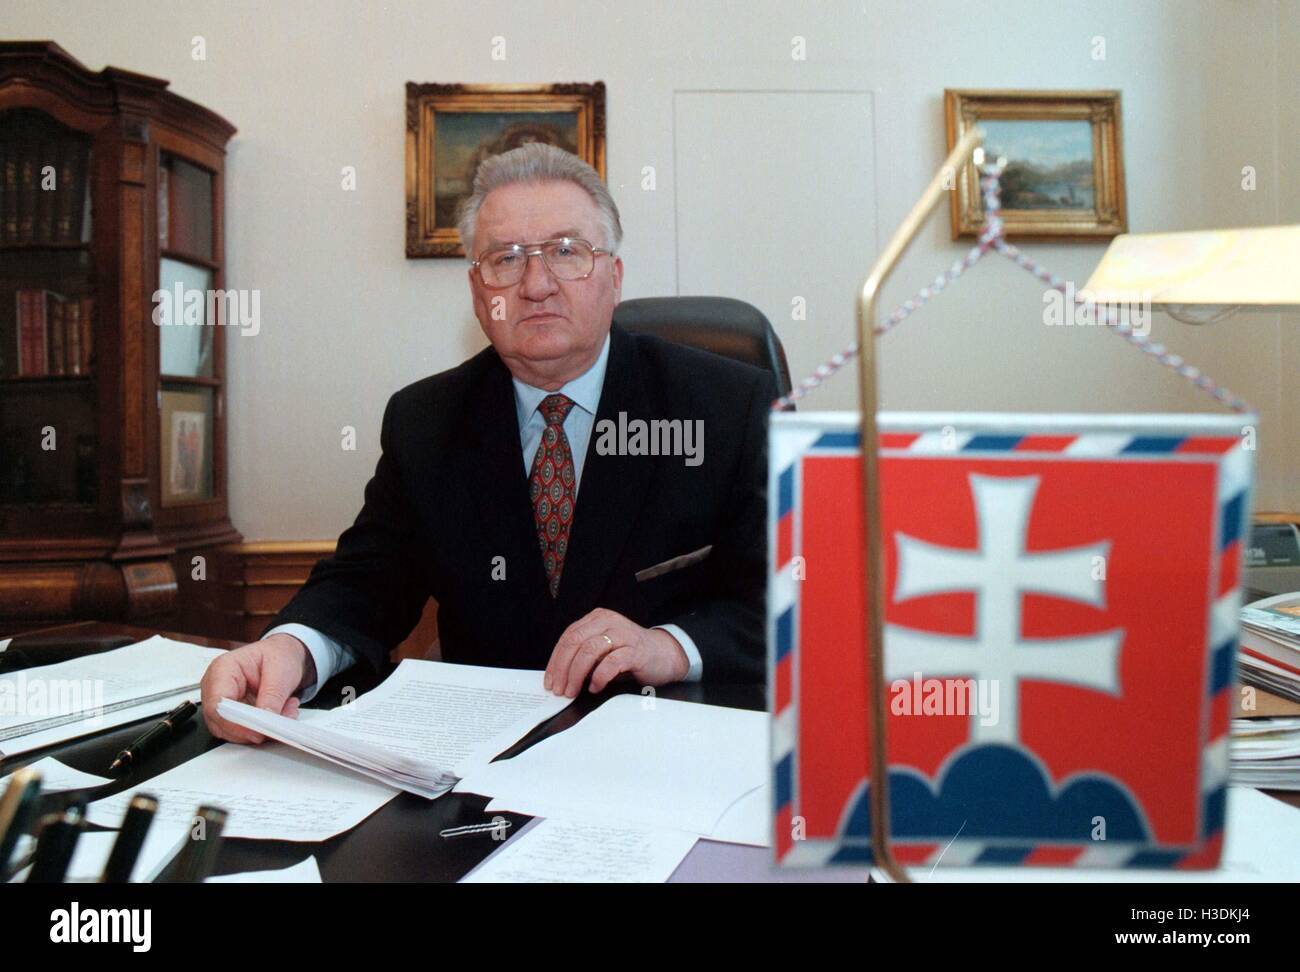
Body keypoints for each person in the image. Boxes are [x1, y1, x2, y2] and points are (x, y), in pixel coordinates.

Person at [201, 143, 775, 745]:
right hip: (483, 767)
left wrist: (670, 646)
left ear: (615, 277)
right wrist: (290, 649)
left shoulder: (725, 407)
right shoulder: (426, 420)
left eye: (566, 252)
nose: (536, 284)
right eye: (505, 259)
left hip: (671, 750)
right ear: (479, 293)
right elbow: (368, 582)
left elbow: (788, 598)